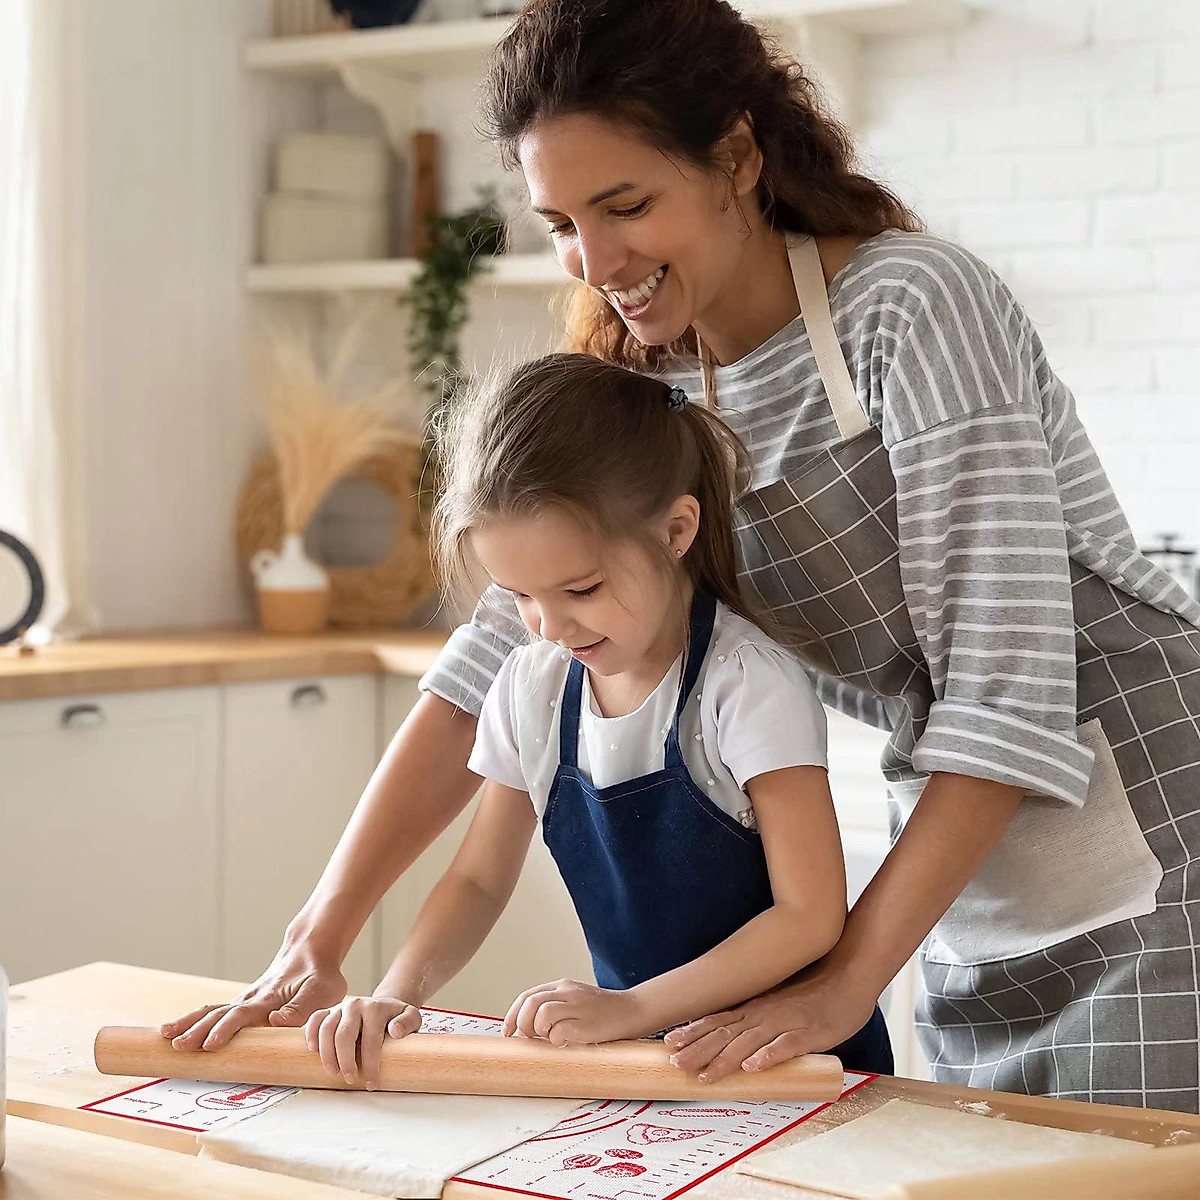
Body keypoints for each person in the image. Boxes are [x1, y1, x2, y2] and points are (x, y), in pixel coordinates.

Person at [164, 0, 1200, 1112]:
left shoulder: (908, 307)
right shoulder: (647, 383)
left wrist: (843, 982)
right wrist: (318, 939)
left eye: (627, 205)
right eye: (560, 221)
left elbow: (1006, 691)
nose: (596, 260)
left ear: (740, 157)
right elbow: (486, 671)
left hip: (1150, 802)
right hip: (962, 859)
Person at [291, 353, 892, 1087]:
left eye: (581, 588)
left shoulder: (745, 684)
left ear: (676, 532)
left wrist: (631, 1007)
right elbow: (479, 879)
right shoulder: (532, 688)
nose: (550, 626)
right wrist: (395, 994)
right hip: (650, 1066)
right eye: (519, 596)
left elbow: (809, 915)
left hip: (794, 1062)